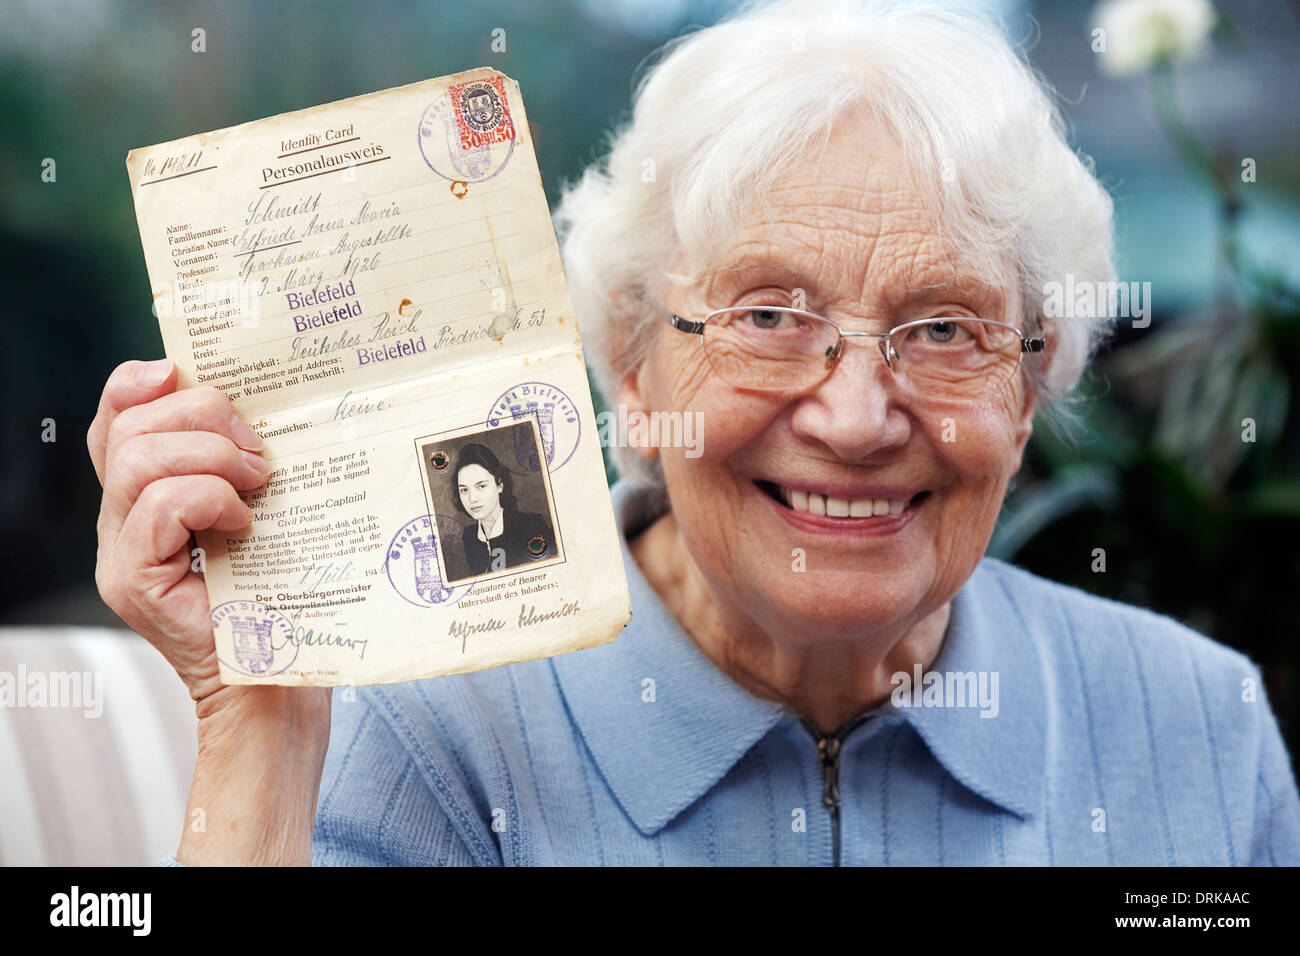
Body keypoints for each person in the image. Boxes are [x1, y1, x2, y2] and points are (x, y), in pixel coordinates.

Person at [90, 0, 1299, 865]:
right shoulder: (436, 741)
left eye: (943, 329)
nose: (857, 414)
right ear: (627, 360)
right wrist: (253, 723)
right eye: (768, 315)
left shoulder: (1199, 726)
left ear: (1031, 388)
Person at [451, 443, 555, 577]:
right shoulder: (470, 537)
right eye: (464, 490)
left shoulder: (531, 525)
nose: (472, 498)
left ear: (499, 485)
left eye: (481, 486)